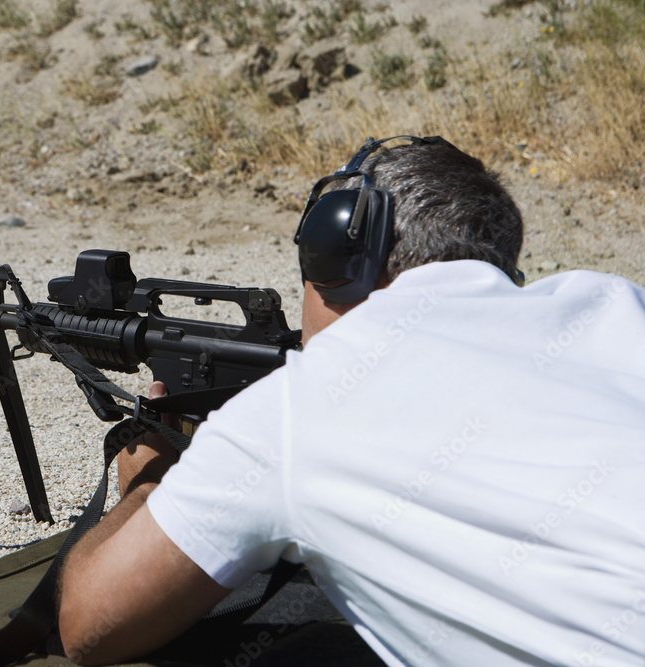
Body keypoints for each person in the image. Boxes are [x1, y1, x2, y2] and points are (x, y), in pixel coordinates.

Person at [57, 136, 645, 666]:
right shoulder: (613, 303)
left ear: (333, 252)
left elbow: (89, 626)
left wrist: (149, 482)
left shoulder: (297, 408)